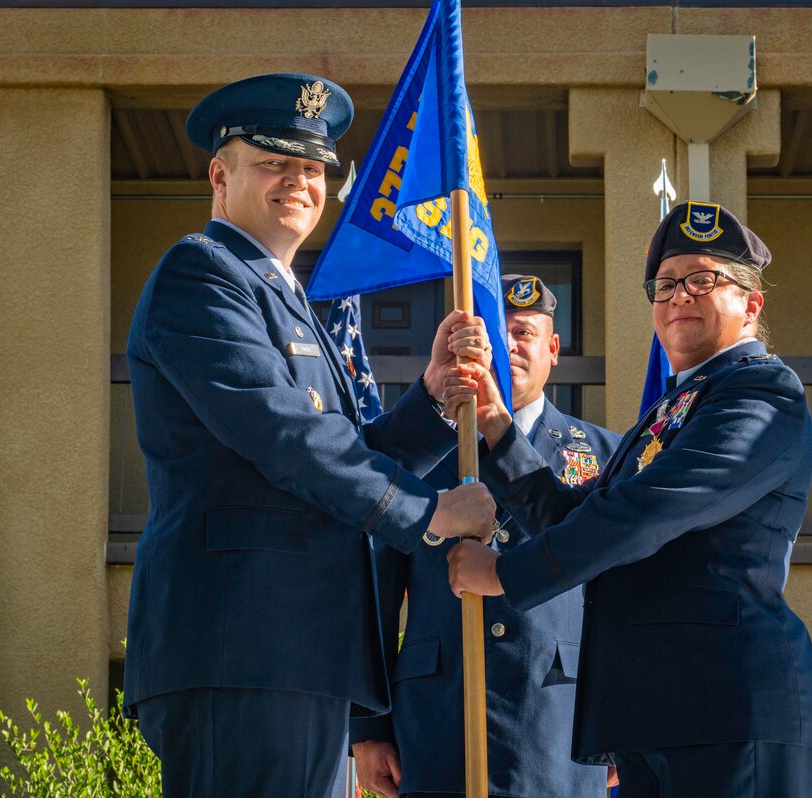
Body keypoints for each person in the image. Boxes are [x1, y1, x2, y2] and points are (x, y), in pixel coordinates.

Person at [121, 73, 495, 797]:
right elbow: (283, 433)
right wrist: (429, 512)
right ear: (219, 175)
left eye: (312, 168)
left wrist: (431, 401)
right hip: (243, 645)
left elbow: (339, 447)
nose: (299, 181)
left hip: (301, 652)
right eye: (274, 163)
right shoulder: (201, 273)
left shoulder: (287, 299)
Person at [445, 202, 812, 797]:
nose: (679, 296)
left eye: (703, 280)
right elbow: (577, 515)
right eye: (666, 284)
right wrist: (495, 423)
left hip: (724, 706)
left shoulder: (761, 393)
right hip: (651, 710)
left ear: (751, 304)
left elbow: (645, 515)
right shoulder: (674, 411)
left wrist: (506, 574)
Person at [350, 275, 622, 798]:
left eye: (525, 332)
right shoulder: (419, 449)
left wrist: (620, 722)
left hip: (558, 719)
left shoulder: (604, 455)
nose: (511, 346)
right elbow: (374, 591)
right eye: (499, 333)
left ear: (554, 348)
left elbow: (620, 599)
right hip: (436, 719)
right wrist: (367, 728)